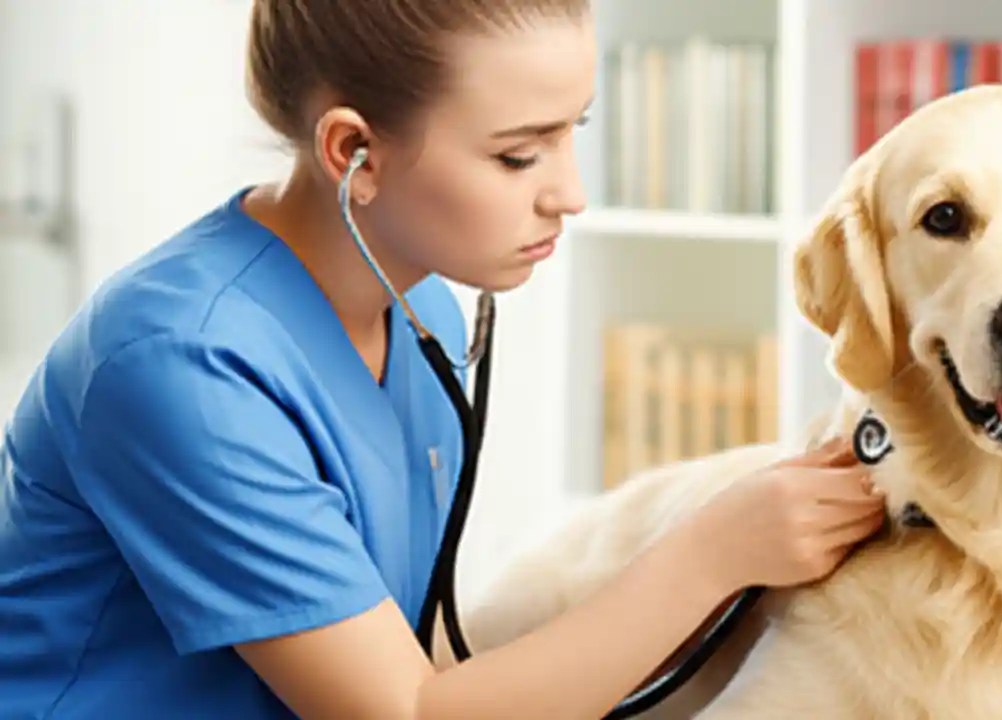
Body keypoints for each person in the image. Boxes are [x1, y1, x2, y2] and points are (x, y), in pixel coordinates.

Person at [0, 2, 888, 718]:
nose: (570, 194)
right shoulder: (181, 367)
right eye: (518, 154)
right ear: (355, 152)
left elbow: (404, 652)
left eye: (573, 130)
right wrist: (716, 551)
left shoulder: (421, 307)